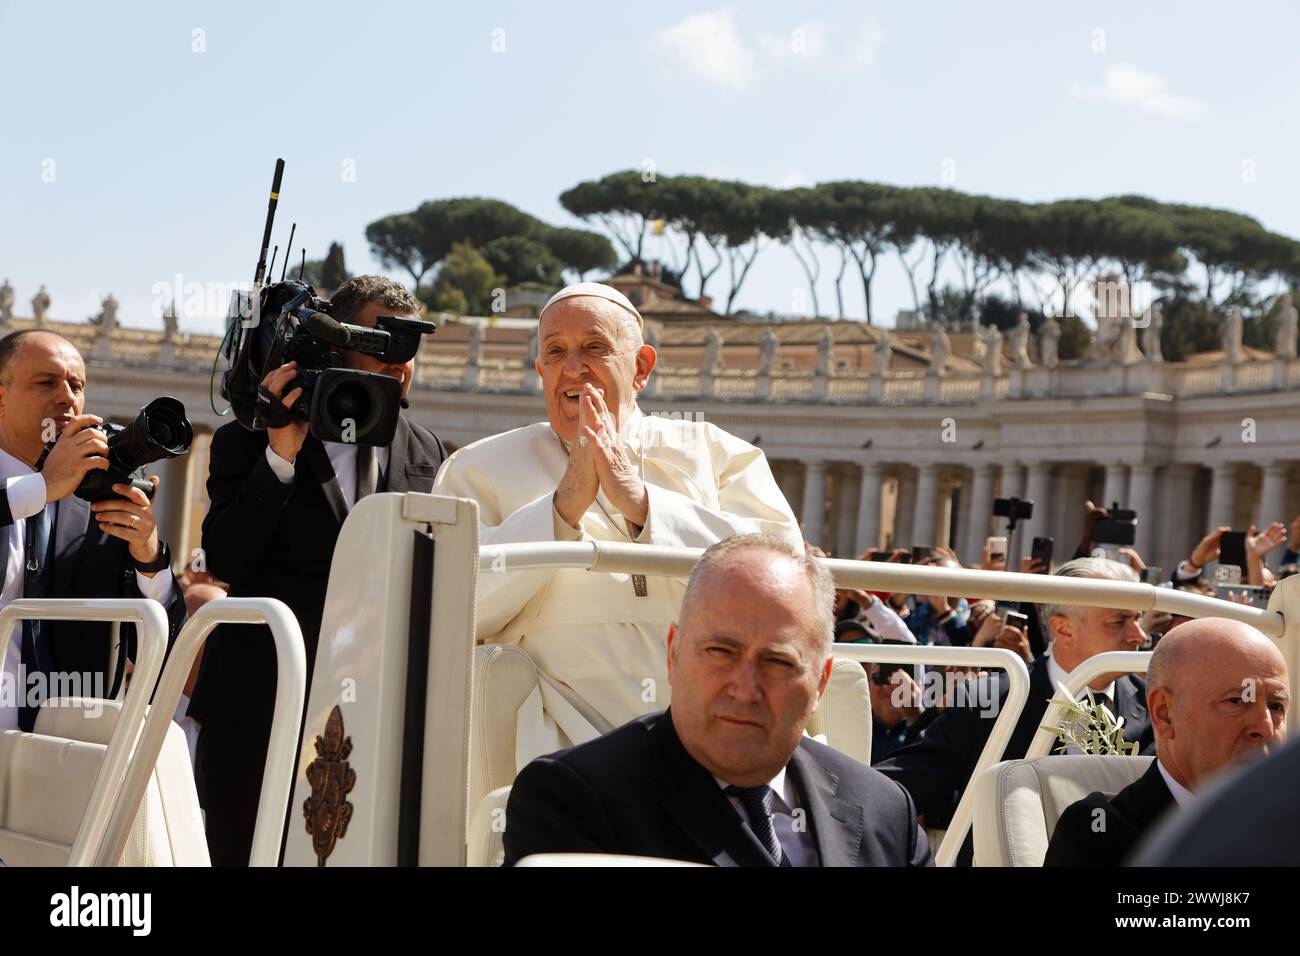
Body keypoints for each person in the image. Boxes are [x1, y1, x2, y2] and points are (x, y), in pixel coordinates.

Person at [433, 282, 800, 758]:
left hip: (715, 733)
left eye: (594, 348)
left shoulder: (718, 454)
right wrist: (561, 511)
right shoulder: (477, 468)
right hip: (552, 739)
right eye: (556, 352)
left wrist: (643, 504)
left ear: (642, 367)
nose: (573, 368)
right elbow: (451, 608)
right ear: (541, 370)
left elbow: (787, 587)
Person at [189, 276, 448, 866]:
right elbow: (226, 559)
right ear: (337, 344)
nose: (400, 363)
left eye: (411, 348)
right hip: (261, 707)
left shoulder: (428, 451)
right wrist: (280, 454)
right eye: (384, 341)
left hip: (376, 713)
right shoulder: (248, 440)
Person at [502, 534, 931, 867]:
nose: (745, 688)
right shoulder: (573, 801)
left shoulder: (886, 813)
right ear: (673, 654)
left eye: (778, 661)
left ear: (820, 682)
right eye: (720, 652)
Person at [876, 558, 1155, 836]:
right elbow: (899, 787)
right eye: (1119, 621)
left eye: (1138, 618)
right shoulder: (987, 702)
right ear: (1063, 628)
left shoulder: (1154, 704)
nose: (1139, 635)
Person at [0, 330, 185, 731]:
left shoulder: (97, 502)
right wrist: (42, 488)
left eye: (76, 385)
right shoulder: (31, 491)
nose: (66, 396)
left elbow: (161, 646)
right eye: (45, 382)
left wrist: (150, 562)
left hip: (63, 752)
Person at [1044, 617, 1287, 866]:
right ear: (1164, 714)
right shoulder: (1099, 833)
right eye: (1236, 701)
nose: (1266, 727)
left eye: (1276, 706)